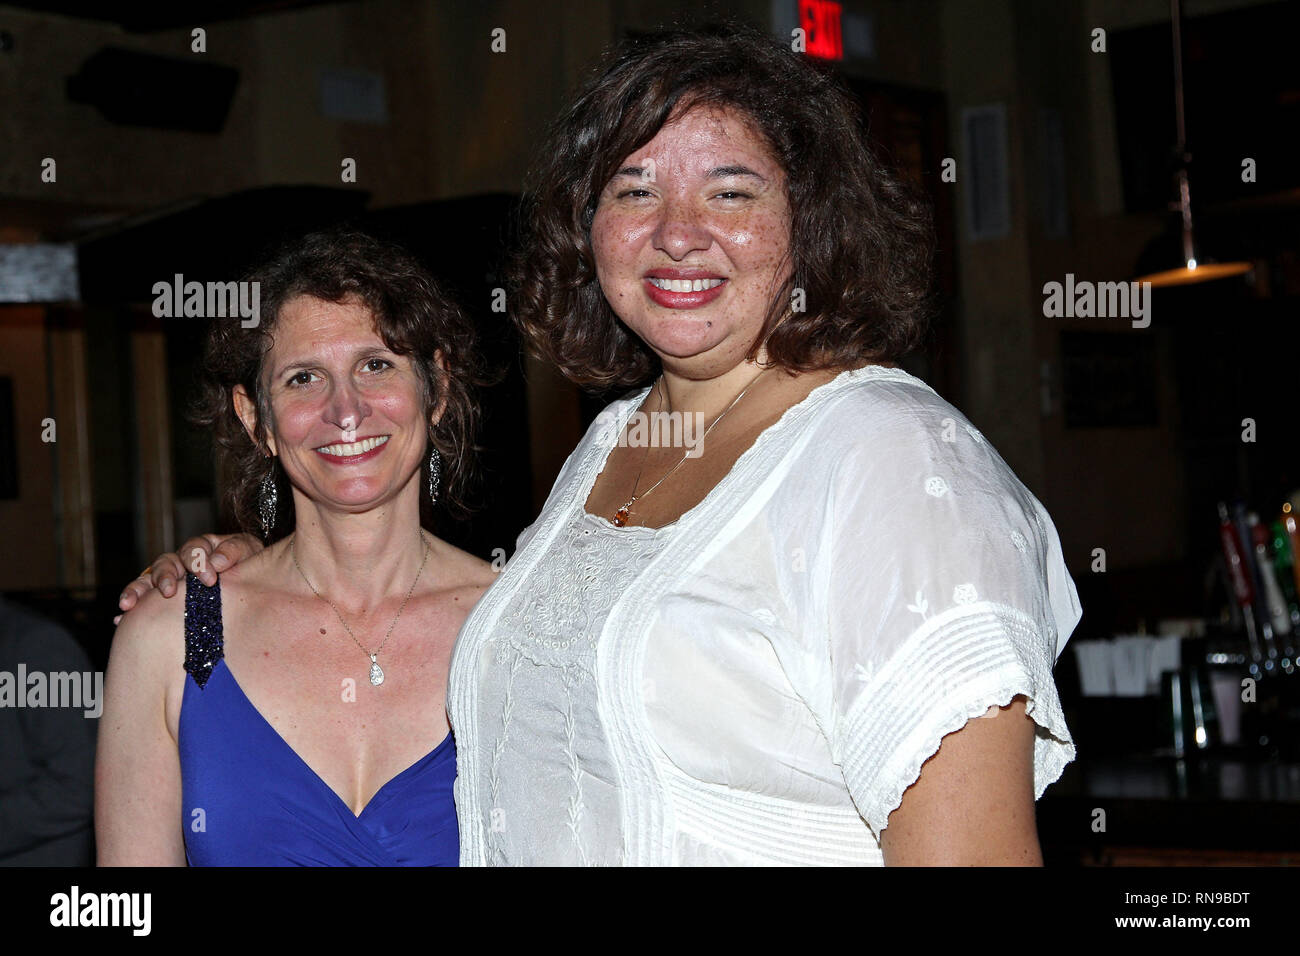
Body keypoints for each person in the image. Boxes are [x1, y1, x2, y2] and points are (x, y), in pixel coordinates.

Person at [121, 24, 1081, 866]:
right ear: (588, 234)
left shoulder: (894, 463)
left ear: (812, 219)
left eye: (731, 191)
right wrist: (244, 565)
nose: (677, 235)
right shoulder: (612, 444)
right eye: (633, 192)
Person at [98, 228, 495, 865]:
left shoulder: (517, 624)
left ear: (436, 388)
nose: (346, 409)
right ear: (256, 419)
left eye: (376, 365)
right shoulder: (174, 634)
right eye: (304, 378)